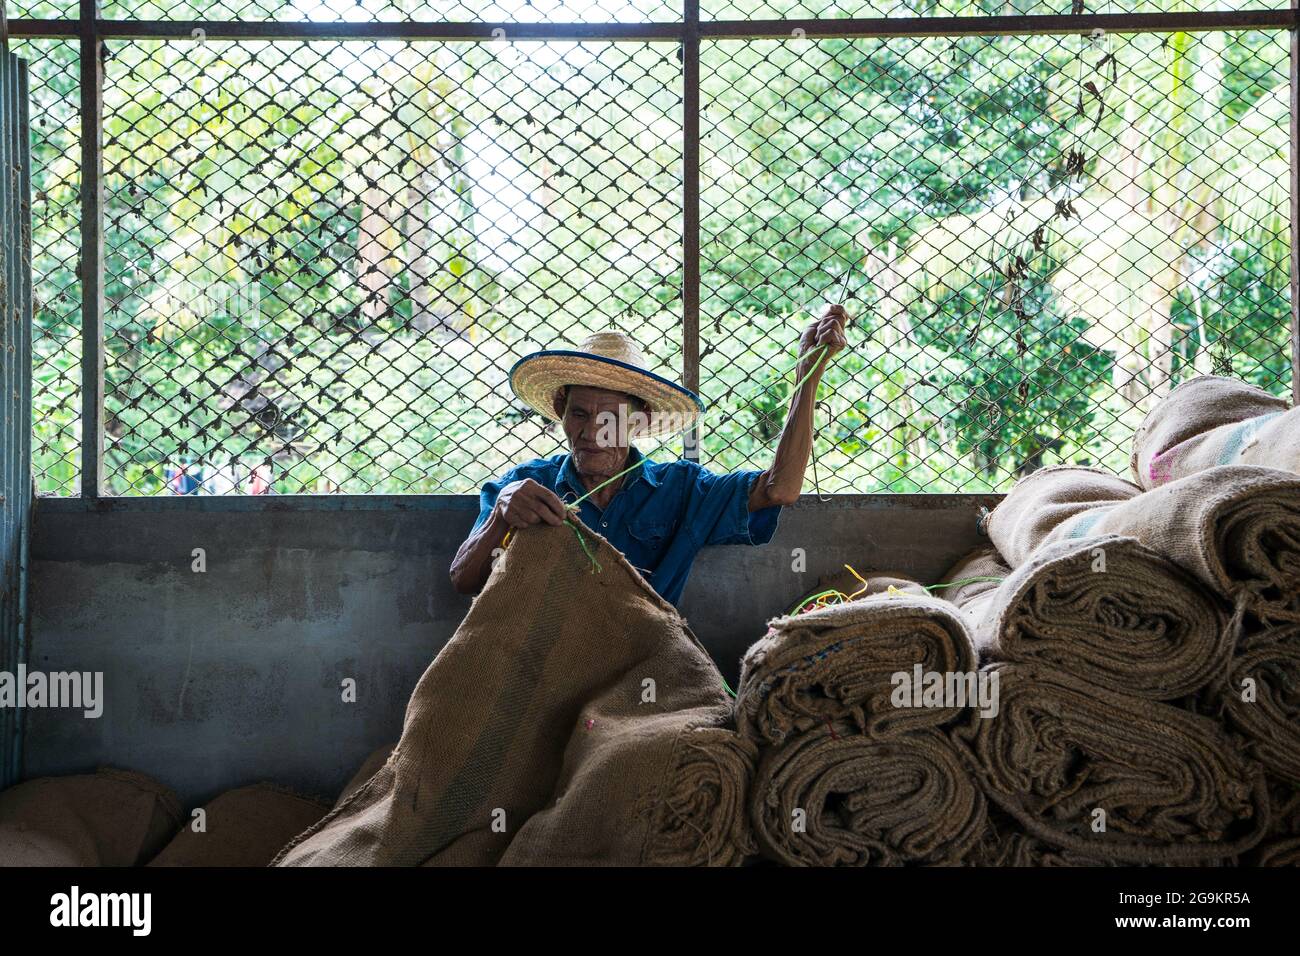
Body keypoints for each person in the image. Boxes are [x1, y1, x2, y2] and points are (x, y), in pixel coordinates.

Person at [450, 306, 849, 605]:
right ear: (560, 412)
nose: (589, 432)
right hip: (545, 664)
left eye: (609, 418)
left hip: (642, 663)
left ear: (638, 421)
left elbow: (780, 489)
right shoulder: (525, 485)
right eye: (578, 414)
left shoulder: (682, 489)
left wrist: (807, 377)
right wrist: (502, 513)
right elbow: (464, 581)